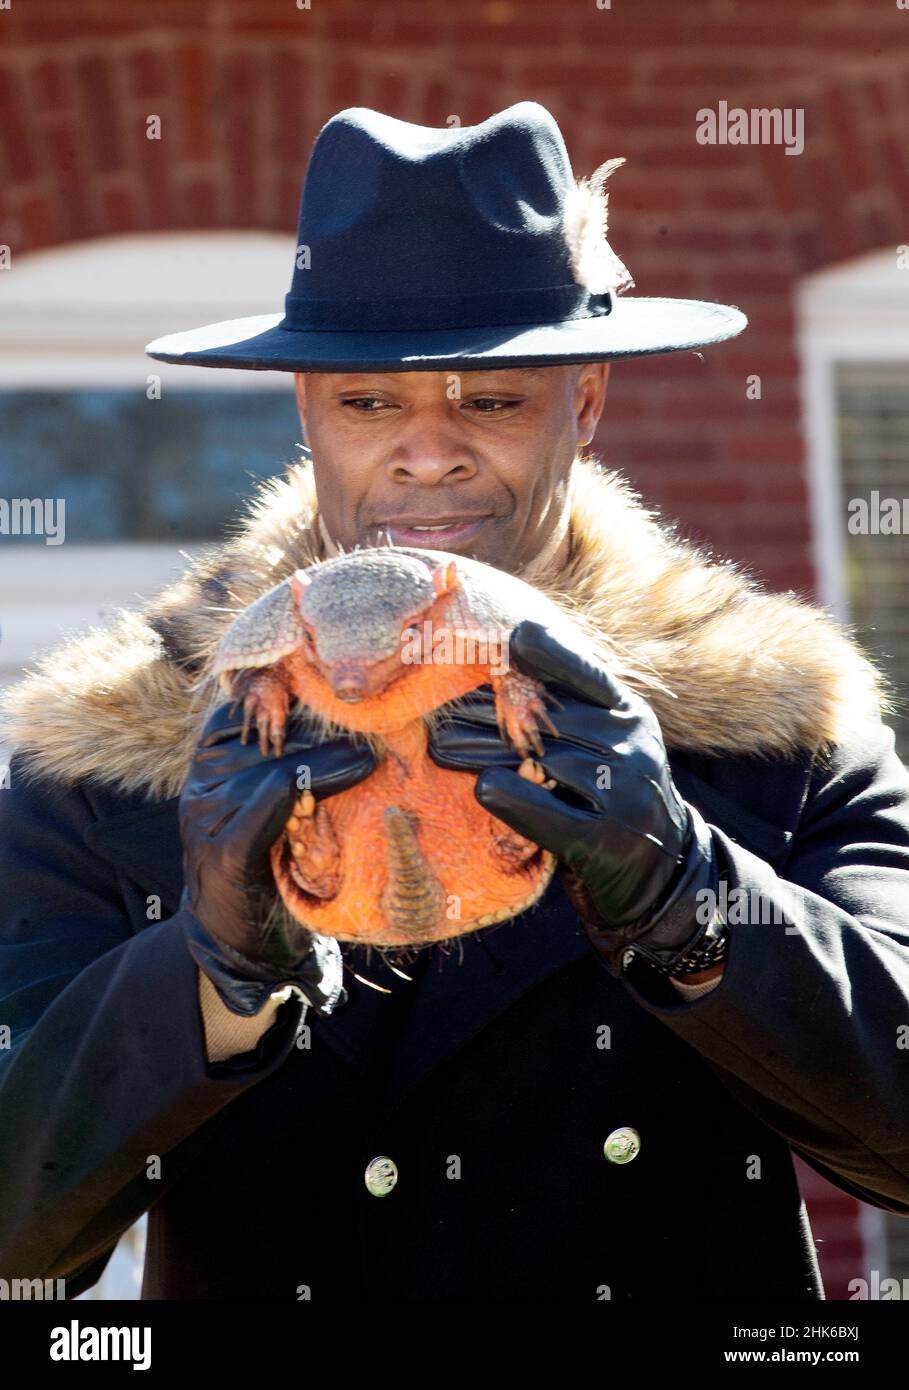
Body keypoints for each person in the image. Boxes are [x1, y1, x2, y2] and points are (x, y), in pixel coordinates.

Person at [1, 102, 908, 1302]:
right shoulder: (110, 749)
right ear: (306, 409)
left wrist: (688, 898)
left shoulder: (778, 719)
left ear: (583, 405)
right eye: (371, 403)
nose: (428, 455)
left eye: (491, 400)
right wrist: (209, 974)